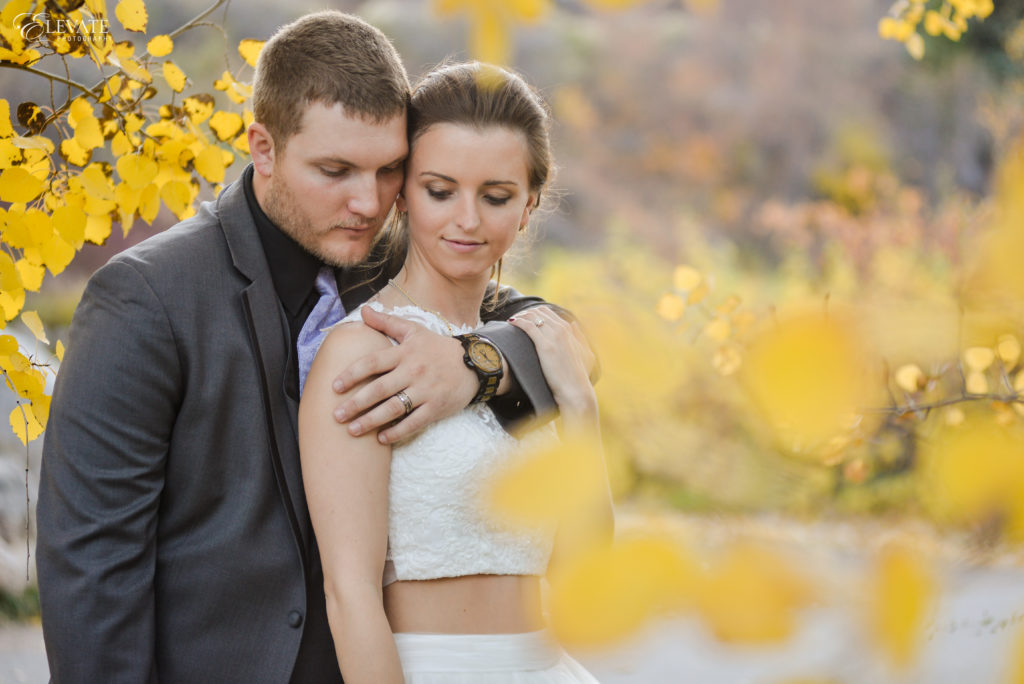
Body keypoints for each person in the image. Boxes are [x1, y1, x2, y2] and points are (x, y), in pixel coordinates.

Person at [36, 13, 582, 683]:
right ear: (262, 147)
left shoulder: (390, 261)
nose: (367, 201)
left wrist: (474, 364)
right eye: (336, 170)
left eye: (389, 172)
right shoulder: (146, 300)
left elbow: (558, 335)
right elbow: (94, 569)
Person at [299, 62, 613, 683]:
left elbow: (585, 577)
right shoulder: (362, 351)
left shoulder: (538, 349)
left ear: (528, 206)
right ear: (404, 194)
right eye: (440, 191)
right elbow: (351, 596)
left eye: (495, 197)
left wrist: (580, 408)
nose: (466, 220)